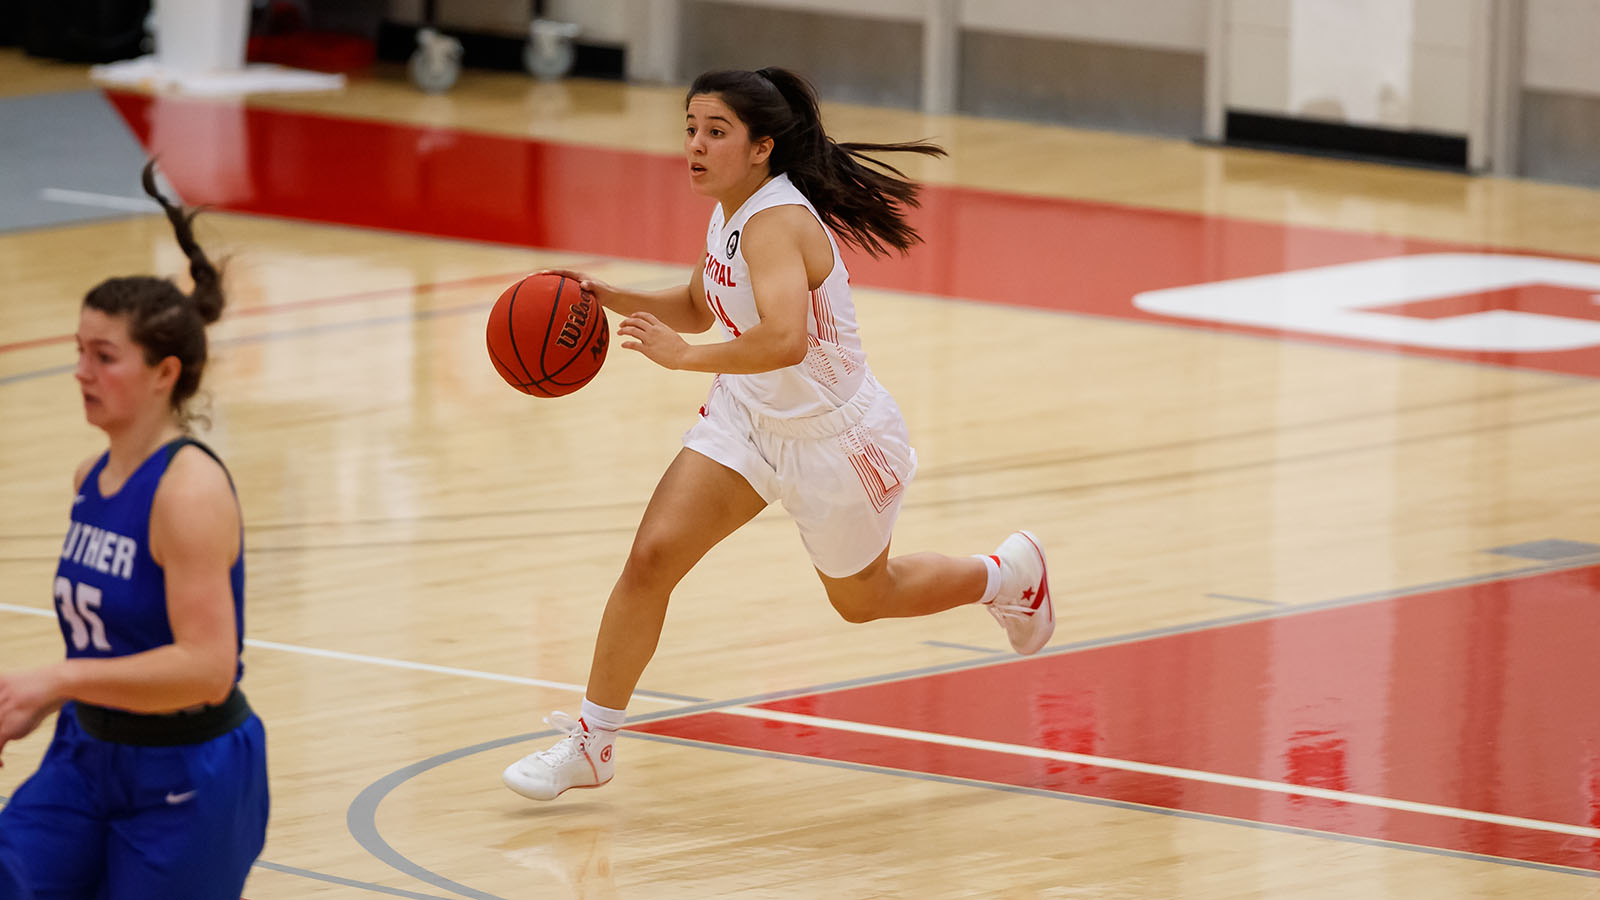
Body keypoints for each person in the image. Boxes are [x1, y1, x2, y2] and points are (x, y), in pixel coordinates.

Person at [501, 68, 1052, 802]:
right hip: (749, 417)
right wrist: (604, 295)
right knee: (651, 558)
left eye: (715, 132)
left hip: (836, 443)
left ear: (761, 147)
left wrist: (685, 358)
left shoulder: (777, 222)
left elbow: (786, 337)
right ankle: (591, 742)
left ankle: (1007, 575)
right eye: (691, 128)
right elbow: (701, 302)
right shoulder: (733, 211)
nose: (695, 145)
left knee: (862, 598)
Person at [0, 162, 269, 899]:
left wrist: (55, 680)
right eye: (79, 351)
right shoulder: (91, 478)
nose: (80, 372)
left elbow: (208, 667)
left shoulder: (189, 491)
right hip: (86, 754)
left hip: (188, 773)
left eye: (103, 356)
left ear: (164, 372)